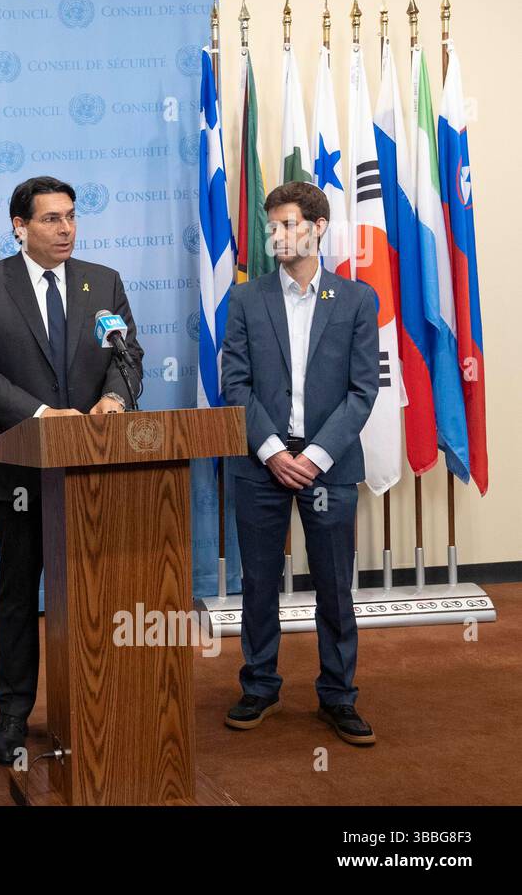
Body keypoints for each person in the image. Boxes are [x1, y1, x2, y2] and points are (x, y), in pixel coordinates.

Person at [0, 175, 144, 766]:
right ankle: (14, 714)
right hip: (18, 470)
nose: (66, 229)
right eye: (51, 219)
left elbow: (127, 355)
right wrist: (42, 415)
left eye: (70, 217)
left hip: (92, 468)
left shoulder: (102, 282)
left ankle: (92, 706)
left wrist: (114, 400)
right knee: (19, 592)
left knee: (89, 591)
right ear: (20, 227)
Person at [221, 181, 379, 746]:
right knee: (259, 581)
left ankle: (338, 697)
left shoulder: (358, 301)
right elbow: (233, 385)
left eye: (288, 224)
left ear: (317, 227)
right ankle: (259, 685)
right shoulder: (244, 300)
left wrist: (311, 457)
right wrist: (273, 452)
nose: (278, 235)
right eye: (272, 226)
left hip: (328, 465)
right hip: (261, 462)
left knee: (335, 586)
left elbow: (362, 393)